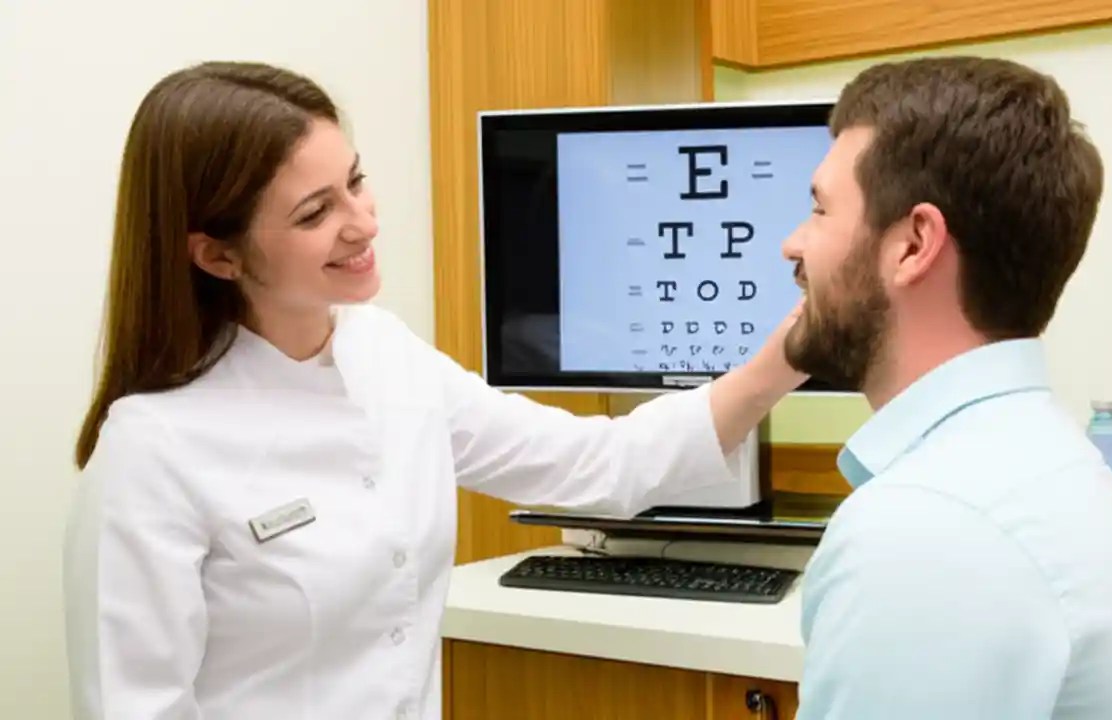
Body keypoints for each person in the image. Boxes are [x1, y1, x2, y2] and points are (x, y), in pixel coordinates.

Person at [61, 61, 807, 720]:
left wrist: (792, 351)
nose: (363, 223)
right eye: (316, 213)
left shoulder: (384, 353)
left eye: (355, 181)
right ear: (218, 255)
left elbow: (595, 463)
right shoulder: (151, 450)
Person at [782, 57, 1112, 719]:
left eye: (819, 210)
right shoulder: (1038, 462)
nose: (792, 244)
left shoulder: (927, 526)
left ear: (913, 245)